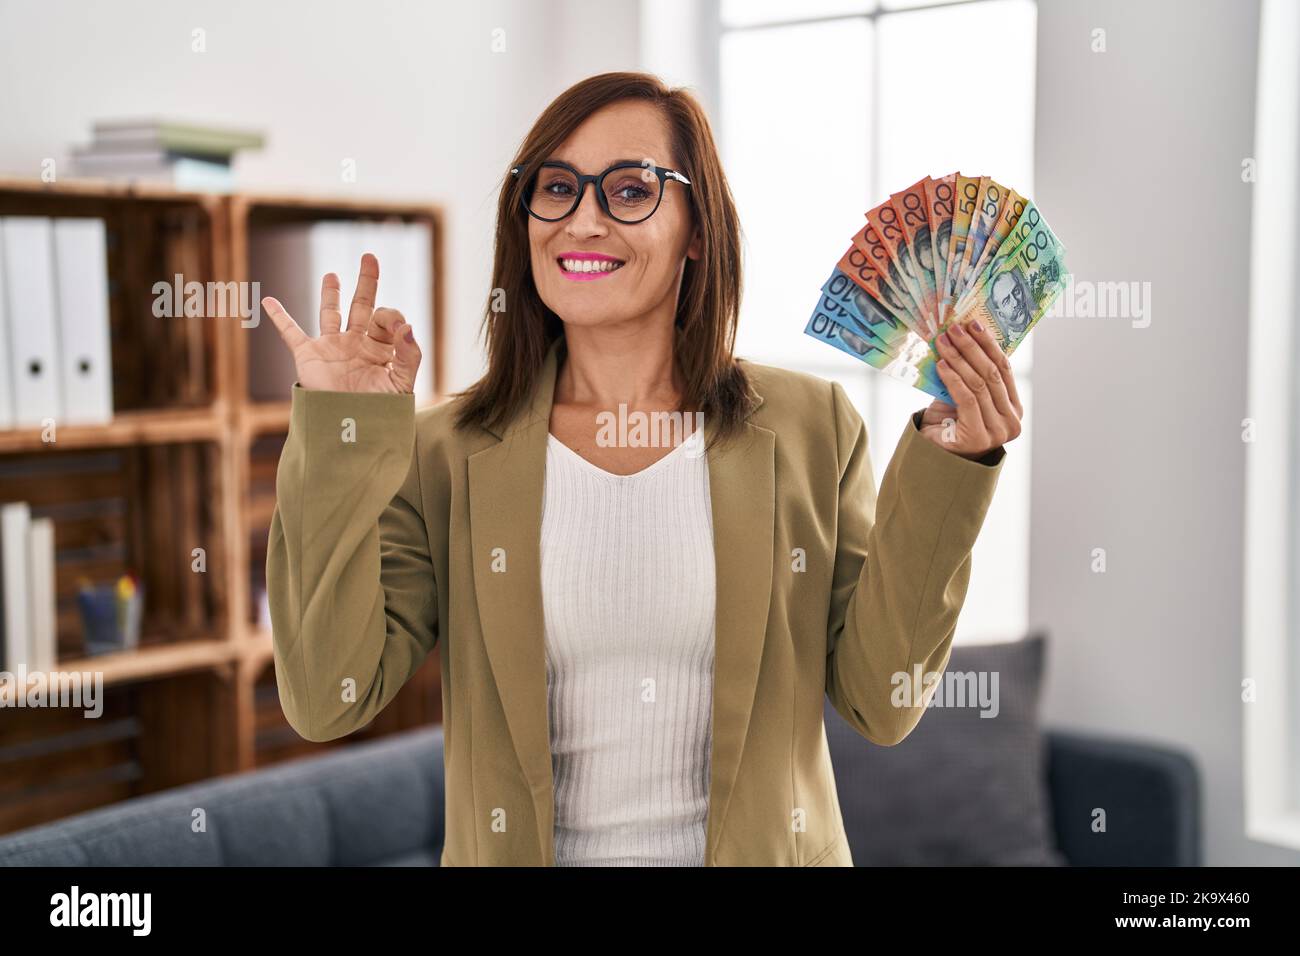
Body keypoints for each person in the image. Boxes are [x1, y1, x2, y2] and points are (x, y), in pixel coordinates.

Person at [261, 71, 1021, 867]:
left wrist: (952, 462)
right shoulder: (444, 450)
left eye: (630, 191)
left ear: (698, 229)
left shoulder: (810, 428)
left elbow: (881, 702)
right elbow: (325, 698)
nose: (583, 220)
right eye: (555, 188)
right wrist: (341, 431)